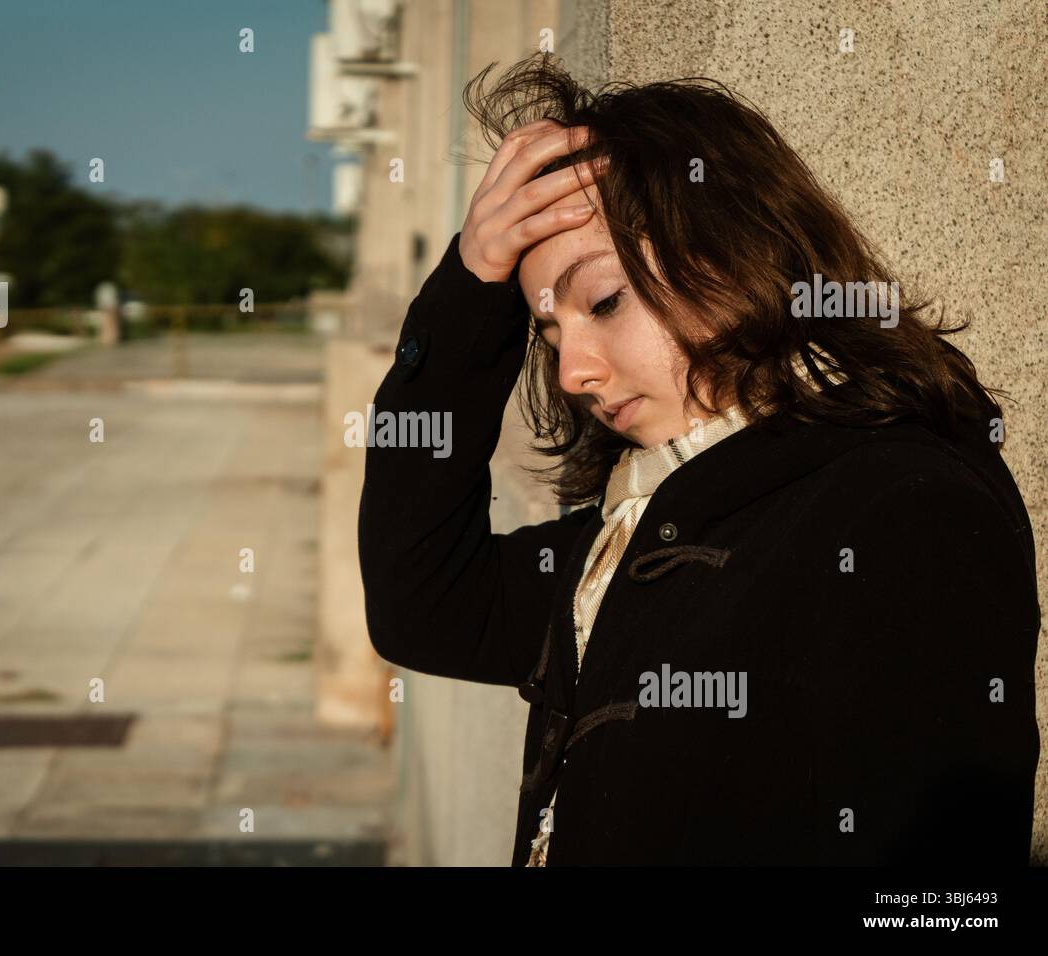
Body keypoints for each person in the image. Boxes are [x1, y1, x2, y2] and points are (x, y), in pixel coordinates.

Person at [357, 54, 1040, 866]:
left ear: (726, 250)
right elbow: (418, 598)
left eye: (603, 301)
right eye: (548, 331)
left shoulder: (903, 509)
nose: (574, 373)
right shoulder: (631, 537)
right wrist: (469, 289)